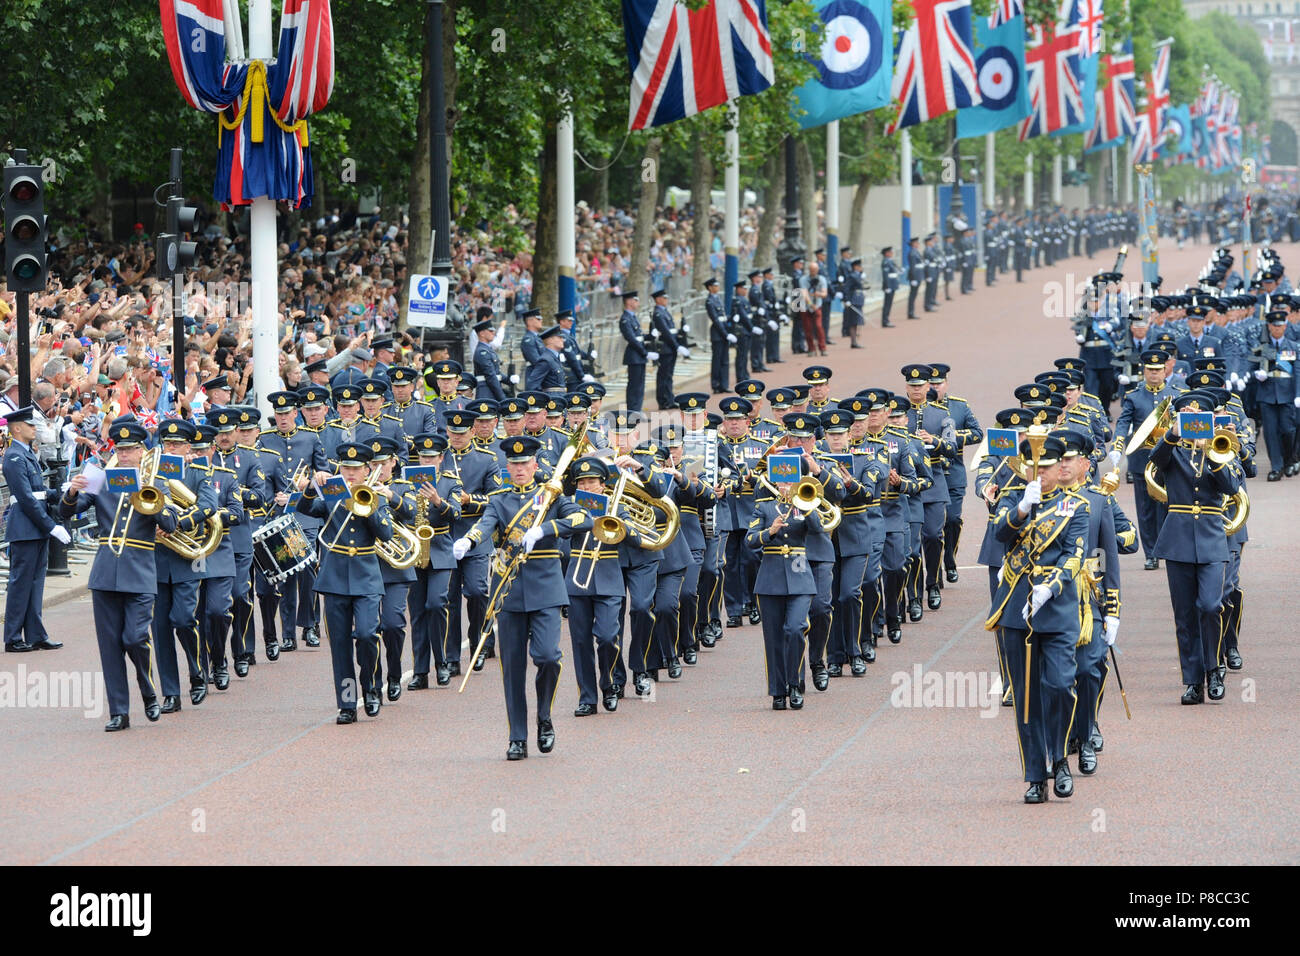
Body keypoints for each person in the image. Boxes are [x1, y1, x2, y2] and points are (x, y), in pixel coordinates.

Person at [453, 435, 592, 760]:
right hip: (510, 591)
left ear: (534, 465)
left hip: (545, 587)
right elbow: (486, 525)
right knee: (512, 668)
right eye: (513, 464)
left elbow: (583, 519)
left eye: (523, 464)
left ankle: (544, 716)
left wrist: (547, 529)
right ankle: (517, 736)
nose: (518, 469)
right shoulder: (499, 499)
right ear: (508, 466)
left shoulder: (551, 495)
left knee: (547, 656)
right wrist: (469, 542)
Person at [984, 435, 1090, 803]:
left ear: (1061, 469)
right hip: (1017, 609)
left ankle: (1059, 757)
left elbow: (1074, 555)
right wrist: (1022, 510)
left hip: (1056, 609)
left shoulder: (1076, 506)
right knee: (1027, 698)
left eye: (1047, 467)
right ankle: (1034, 775)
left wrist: (1051, 587)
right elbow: (1000, 533)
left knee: (1061, 685)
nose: (1041, 473)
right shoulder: (1014, 500)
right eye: (1034, 467)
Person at [61, 421, 182, 731]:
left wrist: (148, 496)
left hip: (140, 571)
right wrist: (72, 492)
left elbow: (169, 524)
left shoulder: (158, 482)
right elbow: (67, 513)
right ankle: (119, 711)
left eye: (130, 450)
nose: (125, 455)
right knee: (110, 645)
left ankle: (148, 690)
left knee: (136, 637)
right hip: (105, 572)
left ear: (142, 453)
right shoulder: (100, 478)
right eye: (120, 450)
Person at [1148, 392, 1244, 705]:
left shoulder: (1222, 448)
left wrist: (1212, 454)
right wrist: (1174, 432)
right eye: (1192, 418)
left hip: (1213, 539)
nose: (1197, 424)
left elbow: (1232, 486)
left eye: (1201, 418)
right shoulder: (1172, 450)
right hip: (1177, 539)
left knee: (1210, 605)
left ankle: (1213, 668)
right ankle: (1192, 682)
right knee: (1185, 615)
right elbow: (1155, 460)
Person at [295, 441, 395, 723]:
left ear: (366, 471)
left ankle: (371, 687)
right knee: (340, 645)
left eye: (356, 469)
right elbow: (304, 509)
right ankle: (348, 703)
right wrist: (310, 486)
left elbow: (386, 534)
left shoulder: (376, 495)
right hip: (335, 577)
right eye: (346, 468)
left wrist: (369, 506)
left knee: (366, 634)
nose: (350, 474)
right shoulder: (332, 493)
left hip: (366, 577)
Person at [745, 469, 817, 711]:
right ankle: (778, 691)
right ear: (775, 481)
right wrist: (770, 532)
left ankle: (795, 683)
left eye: (791, 480)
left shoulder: (805, 504)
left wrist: (806, 504)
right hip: (771, 577)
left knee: (796, 628)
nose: (787, 485)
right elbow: (750, 540)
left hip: (800, 574)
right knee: (773, 637)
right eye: (783, 480)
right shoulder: (763, 507)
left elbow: (819, 528)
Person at [3, 406, 67, 653]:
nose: (34, 428)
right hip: (26, 528)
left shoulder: (27, 454)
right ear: (17, 428)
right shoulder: (14, 457)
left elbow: (39, 493)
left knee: (36, 584)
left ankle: (35, 634)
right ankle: (12, 637)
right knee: (21, 585)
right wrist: (51, 526)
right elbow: (26, 499)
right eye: (30, 425)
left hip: (35, 528)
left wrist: (62, 492)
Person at [650, 289, 688, 409]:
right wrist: (677, 346)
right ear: (658, 299)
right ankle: (663, 401)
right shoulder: (658, 313)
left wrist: (681, 332)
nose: (666, 300)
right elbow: (666, 332)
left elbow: (672, 330)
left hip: (670, 348)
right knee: (663, 375)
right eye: (664, 298)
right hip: (665, 348)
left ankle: (669, 399)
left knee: (669, 375)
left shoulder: (665, 312)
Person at [619, 291, 652, 412]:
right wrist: (645, 352)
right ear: (628, 302)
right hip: (634, 355)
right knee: (634, 386)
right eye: (635, 300)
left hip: (639, 355)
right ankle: (632, 412)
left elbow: (639, 336)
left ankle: (637, 410)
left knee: (640, 386)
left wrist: (649, 336)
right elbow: (631, 339)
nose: (638, 303)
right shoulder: (625, 319)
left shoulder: (632, 317)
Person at [703, 276, 734, 393]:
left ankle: (724, 384)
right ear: (710, 288)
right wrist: (725, 334)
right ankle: (715, 385)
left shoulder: (718, 298)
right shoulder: (709, 301)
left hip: (724, 332)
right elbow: (715, 320)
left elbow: (723, 317)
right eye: (715, 286)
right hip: (717, 333)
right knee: (717, 360)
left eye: (717, 285)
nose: (717, 287)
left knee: (725, 360)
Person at [472, 317, 507, 401]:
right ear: (482, 334)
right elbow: (490, 376)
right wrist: (502, 398)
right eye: (490, 331)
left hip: (491, 391)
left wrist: (509, 379)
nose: (493, 333)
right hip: (486, 393)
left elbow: (496, 373)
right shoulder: (482, 352)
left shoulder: (488, 349)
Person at [879, 246, 898, 328]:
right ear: (886, 253)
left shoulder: (889, 261)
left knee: (889, 303)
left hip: (892, 284)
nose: (892, 253)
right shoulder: (885, 262)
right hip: (889, 285)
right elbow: (885, 275)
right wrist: (887, 286)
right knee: (887, 304)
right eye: (890, 252)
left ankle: (886, 320)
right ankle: (885, 321)